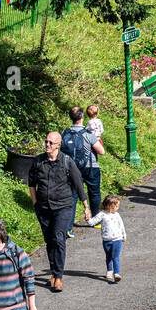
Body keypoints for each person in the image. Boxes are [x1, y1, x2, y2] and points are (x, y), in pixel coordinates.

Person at [28, 130, 88, 293]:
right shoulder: (38, 161)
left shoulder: (67, 162)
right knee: (49, 240)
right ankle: (54, 273)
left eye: (51, 143)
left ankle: (58, 277)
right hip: (44, 208)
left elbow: (78, 185)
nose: (47, 144)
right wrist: (35, 204)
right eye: (46, 142)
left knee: (58, 237)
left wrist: (86, 206)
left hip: (63, 207)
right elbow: (31, 184)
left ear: (58, 145)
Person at [63, 106, 105, 228]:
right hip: (91, 167)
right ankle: (96, 221)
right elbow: (101, 151)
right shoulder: (88, 133)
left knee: (73, 195)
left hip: (72, 168)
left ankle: (68, 227)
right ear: (82, 117)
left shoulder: (65, 133)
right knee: (94, 193)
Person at [86, 194, 127, 284]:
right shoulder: (102, 214)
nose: (117, 208)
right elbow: (93, 222)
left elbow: (121, 225)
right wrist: (88, 219)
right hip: (106, 240)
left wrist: (124, 235)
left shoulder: (117, 215)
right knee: (109, 256)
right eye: (116, 206)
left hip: (117, 239)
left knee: (115, 257)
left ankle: (116, 274)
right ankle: (109, 271)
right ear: (109, 206)